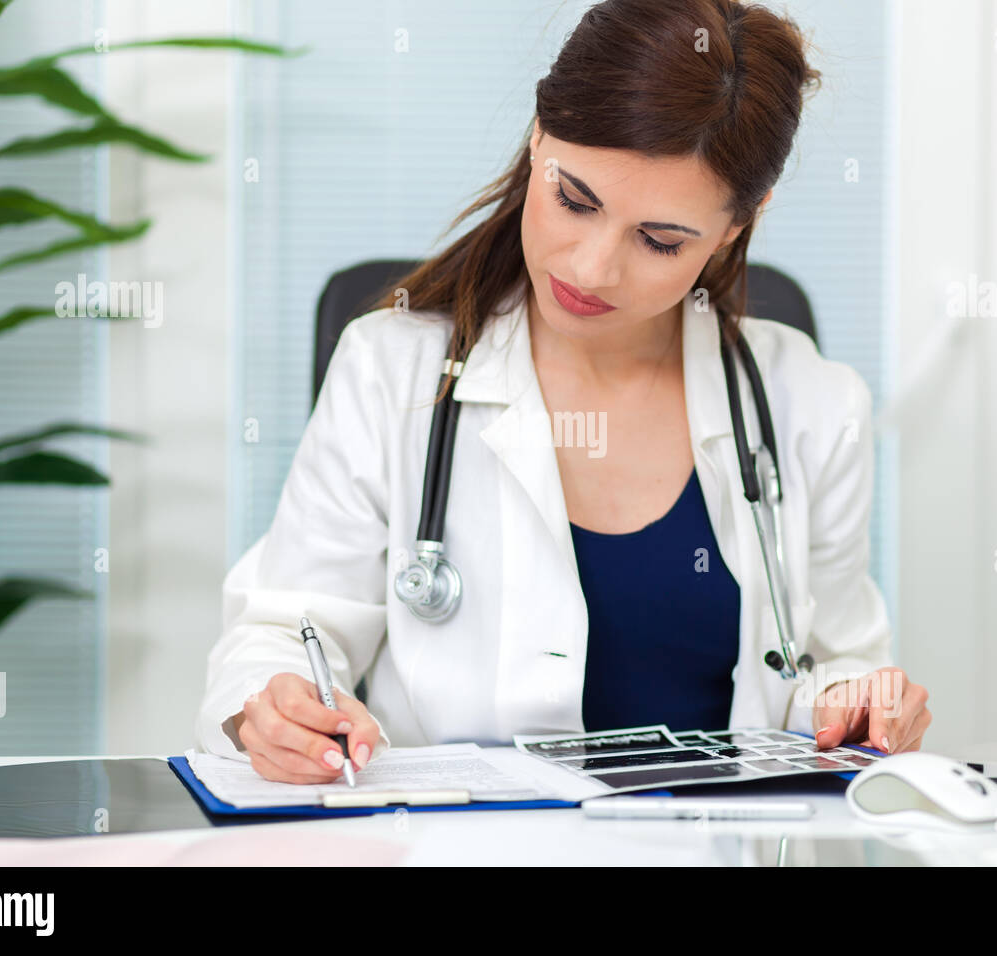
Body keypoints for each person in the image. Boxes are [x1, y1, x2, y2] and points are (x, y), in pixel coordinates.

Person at [196, 0, 930, 784]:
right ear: (539, 136)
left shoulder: (814, 405)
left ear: (737, 227)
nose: (590, 269)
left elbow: (835, 668)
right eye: (574, 200)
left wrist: (860, 705)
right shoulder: (389, 371)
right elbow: (284, 630)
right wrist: (268, 710)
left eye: (659, 239)